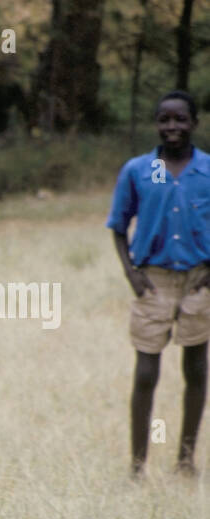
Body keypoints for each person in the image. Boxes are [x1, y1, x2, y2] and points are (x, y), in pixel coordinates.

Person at [108, 90, 210, 479]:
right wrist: (131, 274)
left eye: (180, 119)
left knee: (197, 370)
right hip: (153, 281)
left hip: (198, 282)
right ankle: (138, 466)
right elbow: (118, 227)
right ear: (156, 124)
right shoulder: (141, 170)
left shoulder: (207, 171)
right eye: (165, 119)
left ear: (194, 123)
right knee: (146, 372)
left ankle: (185, 460)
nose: (172, 127)